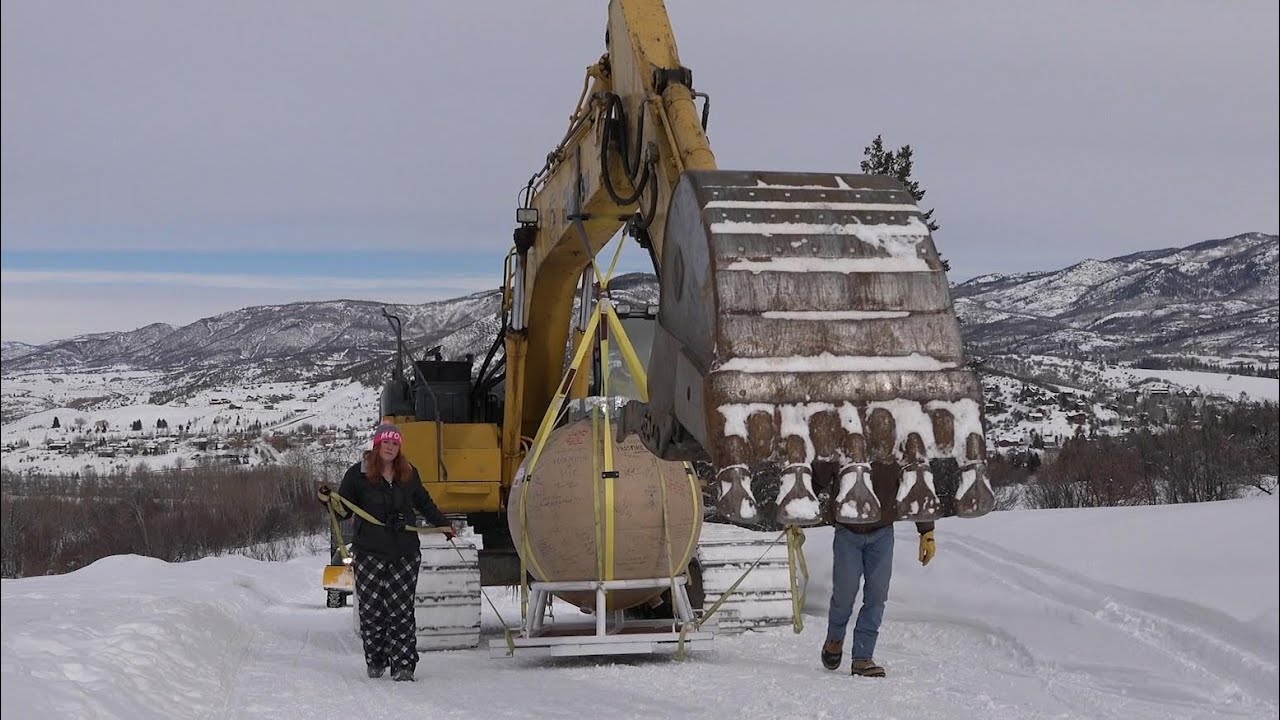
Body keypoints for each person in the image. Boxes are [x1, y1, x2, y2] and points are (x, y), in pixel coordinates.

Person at [317, 423, 452, 682]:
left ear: (399, 447)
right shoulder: (357, 475)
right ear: (377, 444)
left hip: (405, 552)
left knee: (401, 610)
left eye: (395, 443)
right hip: (370, 553)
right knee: (372, 611)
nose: (390, 447)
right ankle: (376, 660)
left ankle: (404, 665)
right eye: (386, 442)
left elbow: (423, 502)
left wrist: (443, 524)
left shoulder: (408, 473)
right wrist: (328, 501)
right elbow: (343, 510)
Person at [821, 463, 936, 677]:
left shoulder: (893, 442)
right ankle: (835, 638)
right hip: (848, 530)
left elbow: (915, 482)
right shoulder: (845, 436)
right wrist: (796, 517)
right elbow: (817, 476)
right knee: (845, 593)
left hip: (882, 531)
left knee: (877, 595)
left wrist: (926, 531)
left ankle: (863, 657)